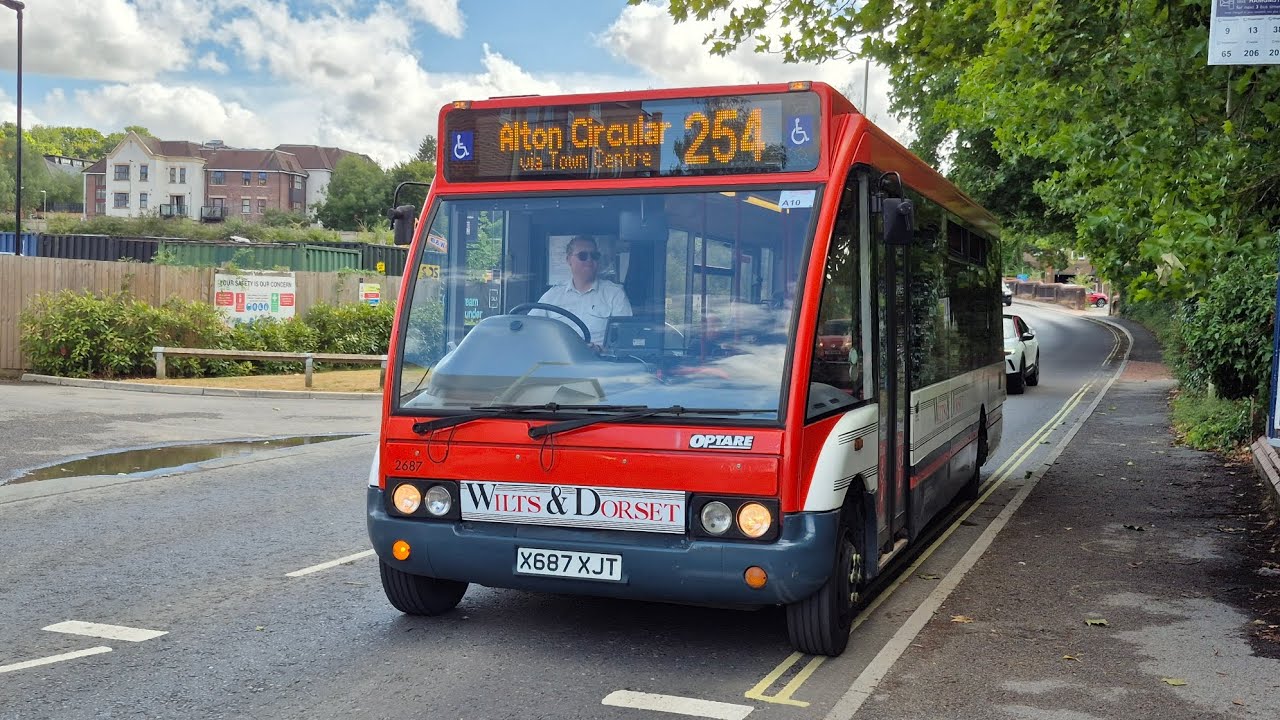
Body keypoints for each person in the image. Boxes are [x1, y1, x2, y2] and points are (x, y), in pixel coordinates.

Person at [534, 235, 632, 345]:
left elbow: (625, 337)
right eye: (583, 256)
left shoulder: (614, 294)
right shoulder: (552, 296)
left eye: (594, 256)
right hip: (559, 359)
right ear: (569, 260)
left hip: (600, 360)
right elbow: (531, 328)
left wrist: (601, 350)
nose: (589, 260)